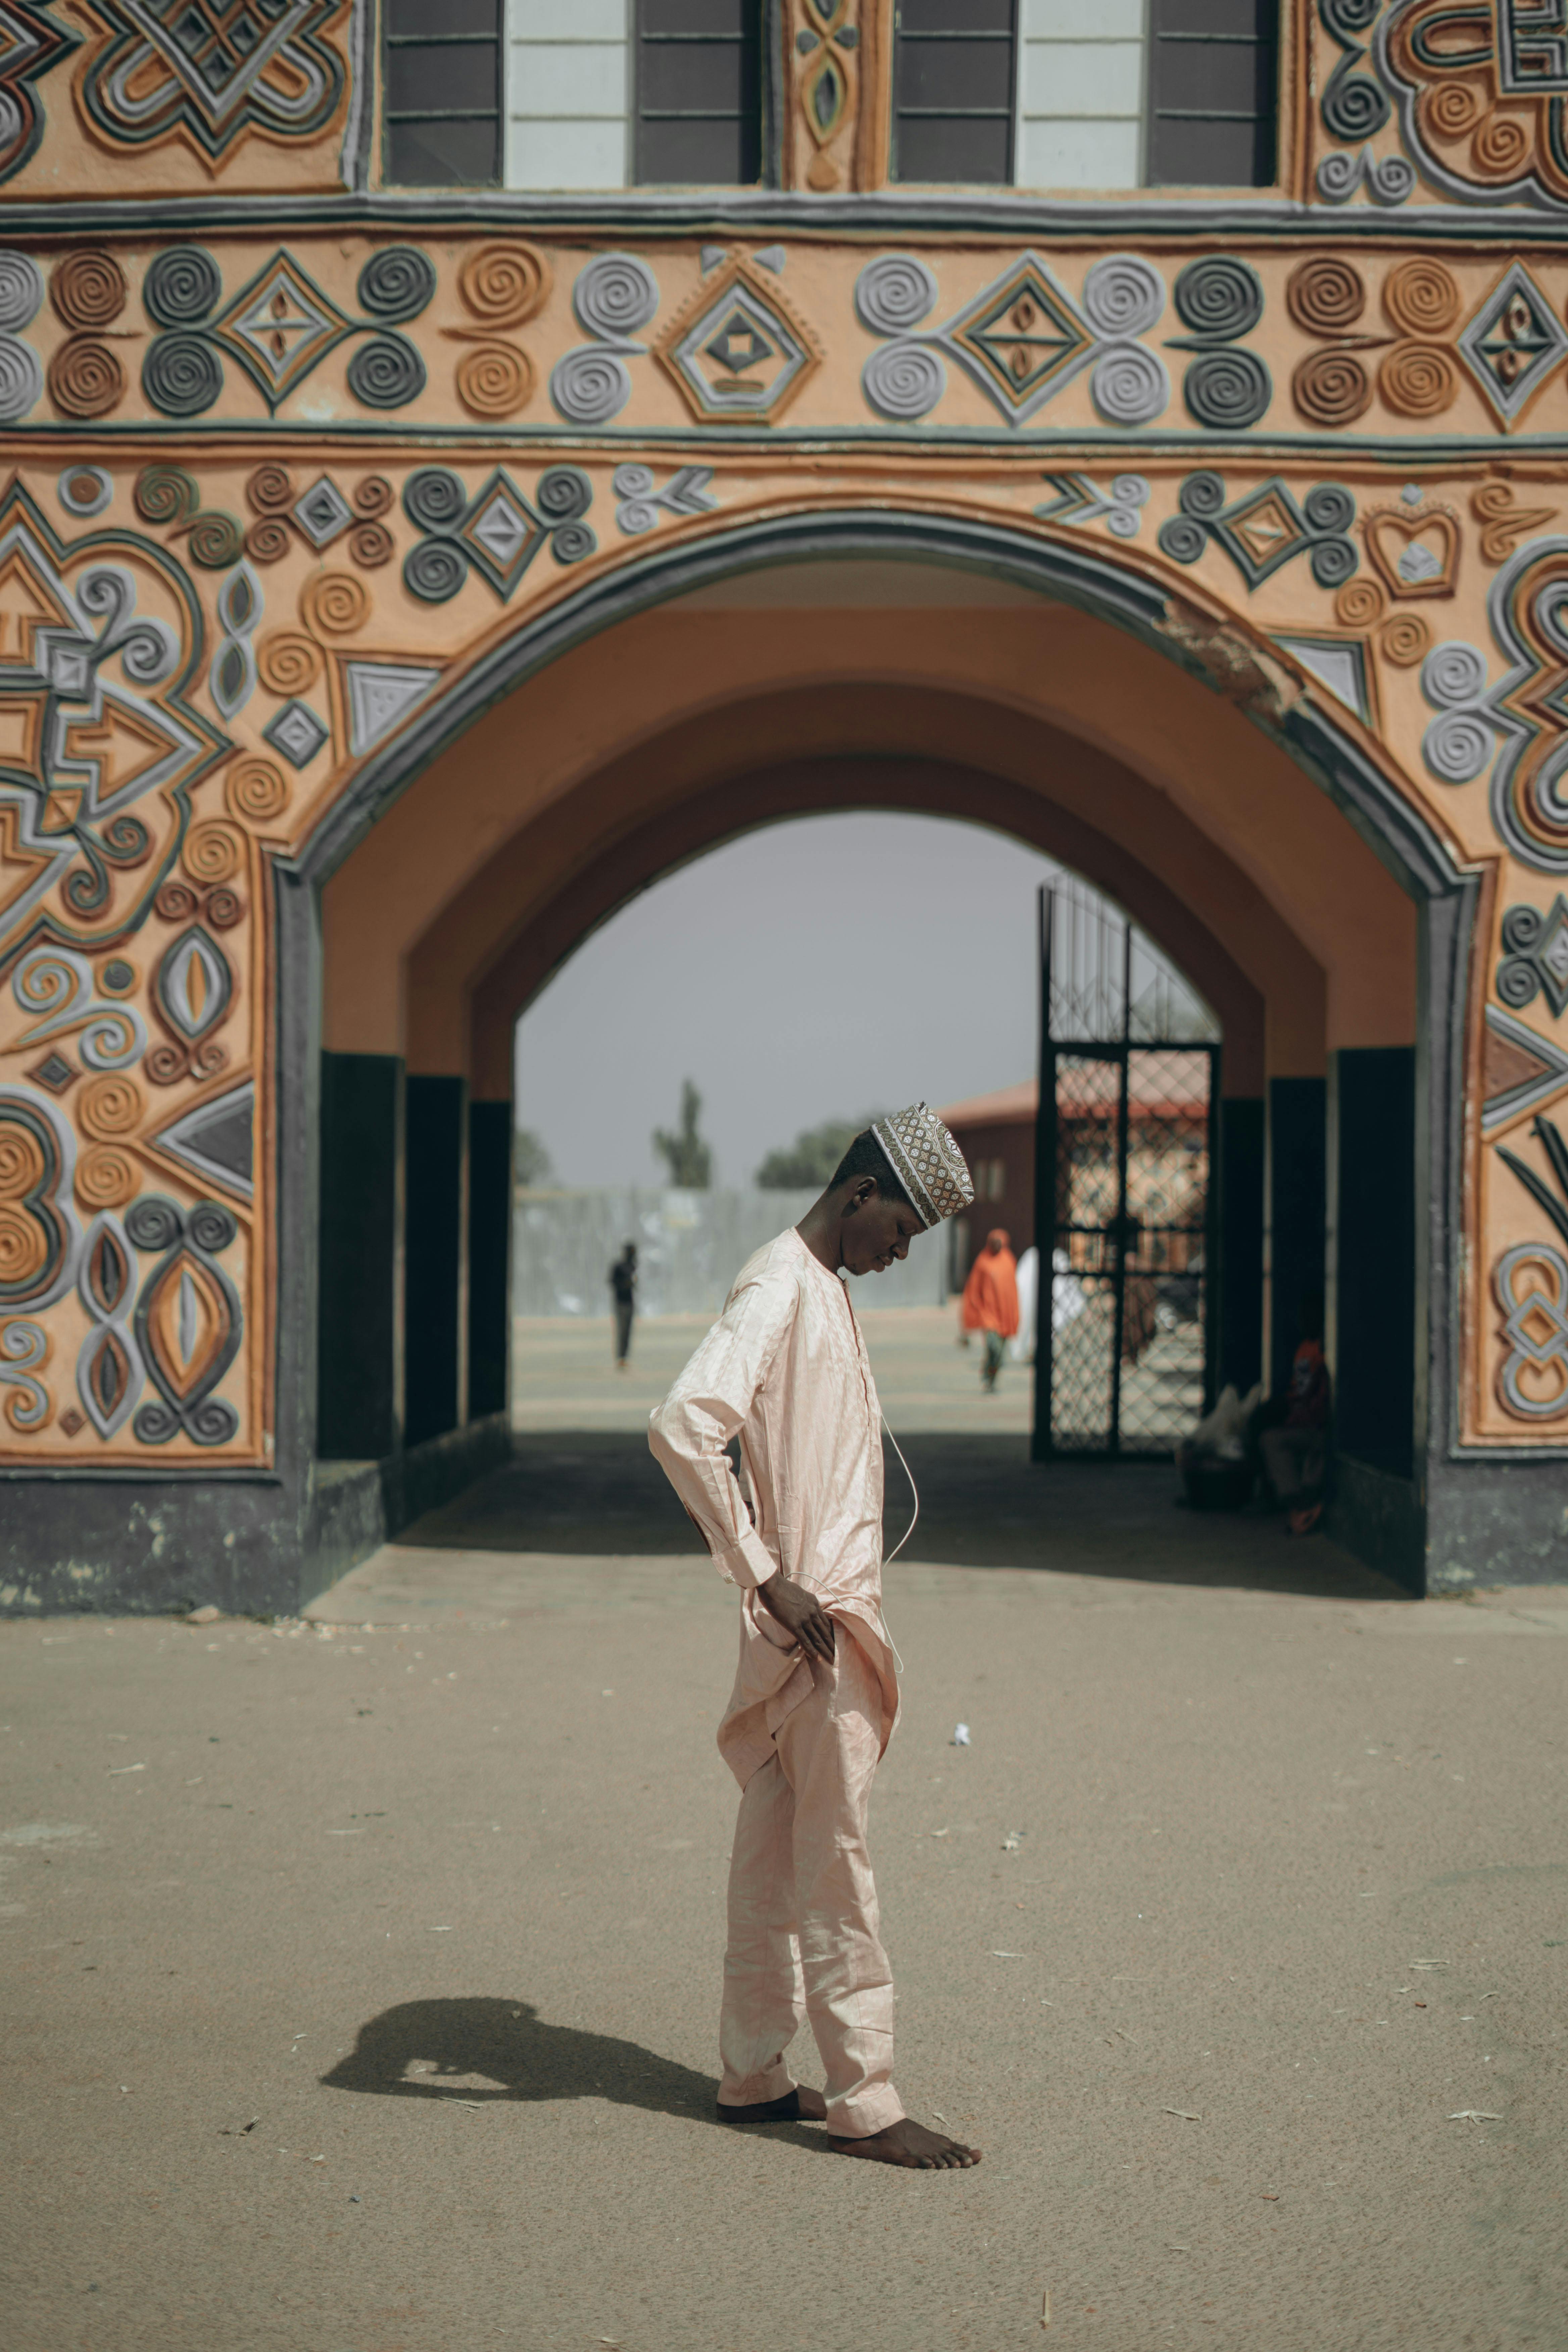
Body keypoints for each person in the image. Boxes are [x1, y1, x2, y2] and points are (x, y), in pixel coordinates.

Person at [649, 1104, 982, 2172]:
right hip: (819, 1625)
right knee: (837, 1863)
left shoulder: (820, 1285)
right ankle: (866, 2099)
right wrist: (764, 1572)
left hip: (809, 1630)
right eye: (900, 1227)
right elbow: (684, 1422)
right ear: (856, 1194)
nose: (900, 1251)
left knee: (770, 1857)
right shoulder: (780, 1283)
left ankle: (751, 2073)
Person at [1258, 1297, 1332, 1535]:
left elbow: (1318, 1403)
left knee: (1272, 1439)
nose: (1304, 1323)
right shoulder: (1304, 1348)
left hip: (1313, 1423)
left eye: (1310, 1318)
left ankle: (1301, 1506)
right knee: (1259, 1421)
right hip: (1298, 1410)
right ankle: (1278, 1498)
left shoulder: (1324, 1352)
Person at [961, 1227, 1020, 1391]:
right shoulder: (983, 1261)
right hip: (989, 1314)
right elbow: (973, 1288)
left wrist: (1015, 1314)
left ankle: (993, 1378)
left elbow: (1013, 1290)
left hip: (1005, 1314)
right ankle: (988, 1374)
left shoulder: (1008, 1260)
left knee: (1001, 1354)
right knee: (993, 1347)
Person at [608, 1241, 637, 1372]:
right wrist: (624, 1285)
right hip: (621, 1302)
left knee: (627, 1331)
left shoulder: (632, 1267)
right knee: (622, 1330)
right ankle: (621, 1358)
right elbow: (612, 1281)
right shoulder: (619, 1267)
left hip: (629, 1302)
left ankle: (624, 1357)